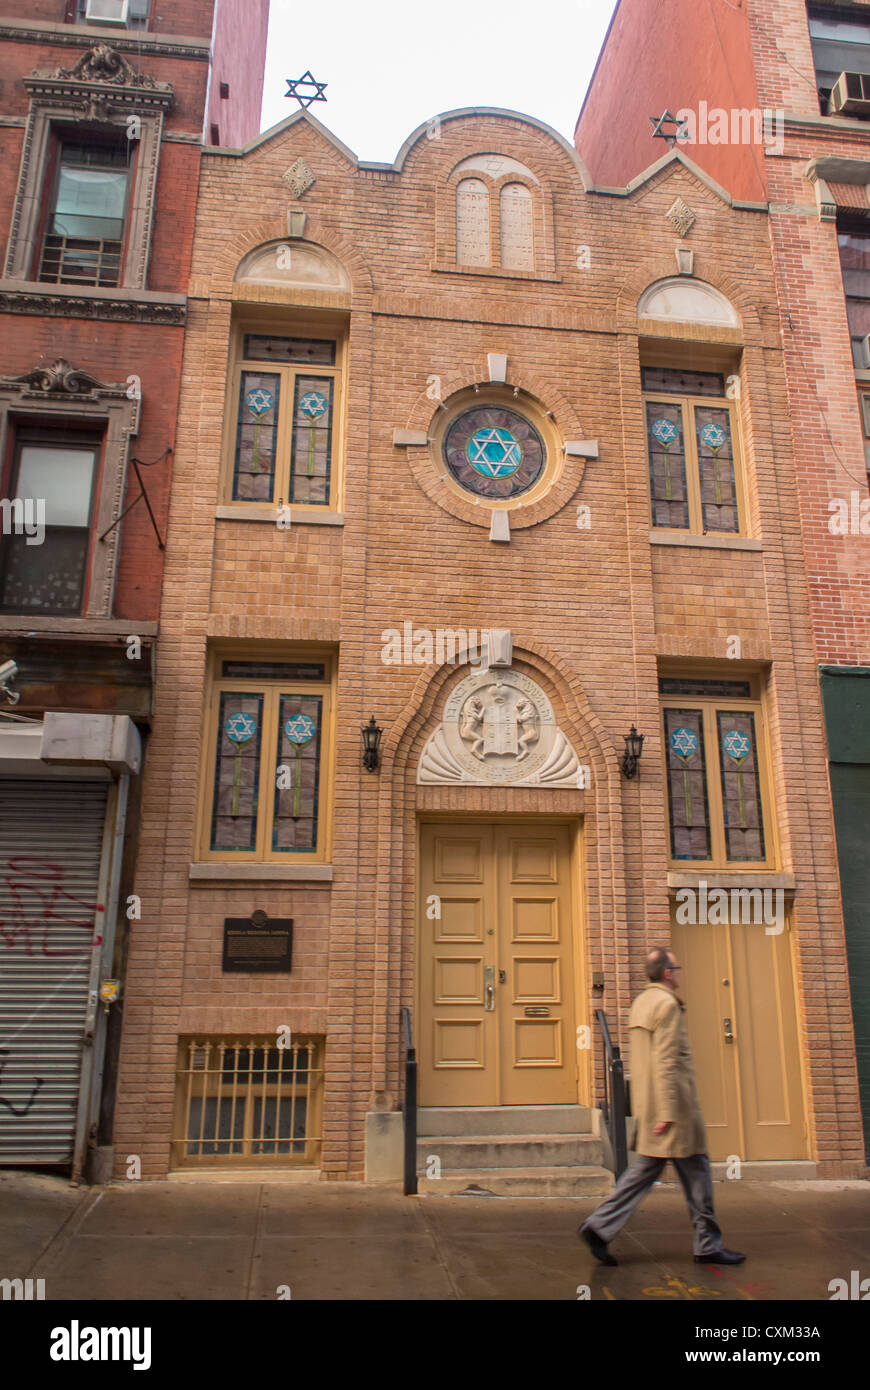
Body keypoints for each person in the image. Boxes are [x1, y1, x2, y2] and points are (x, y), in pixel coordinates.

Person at [579, 946, 745, 1267]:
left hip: (651, 1106)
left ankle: (598, 1227)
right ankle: (708, 1245)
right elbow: (667, 1061)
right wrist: (669, 1112)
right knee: (697, 1176)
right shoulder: (667, 1005)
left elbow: (643, 1061)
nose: (678, 974)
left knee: (642, 1173)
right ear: (668, 973)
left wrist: (651, 1110)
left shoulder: (641, 1003)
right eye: (677, 969)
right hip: (675, 1111)